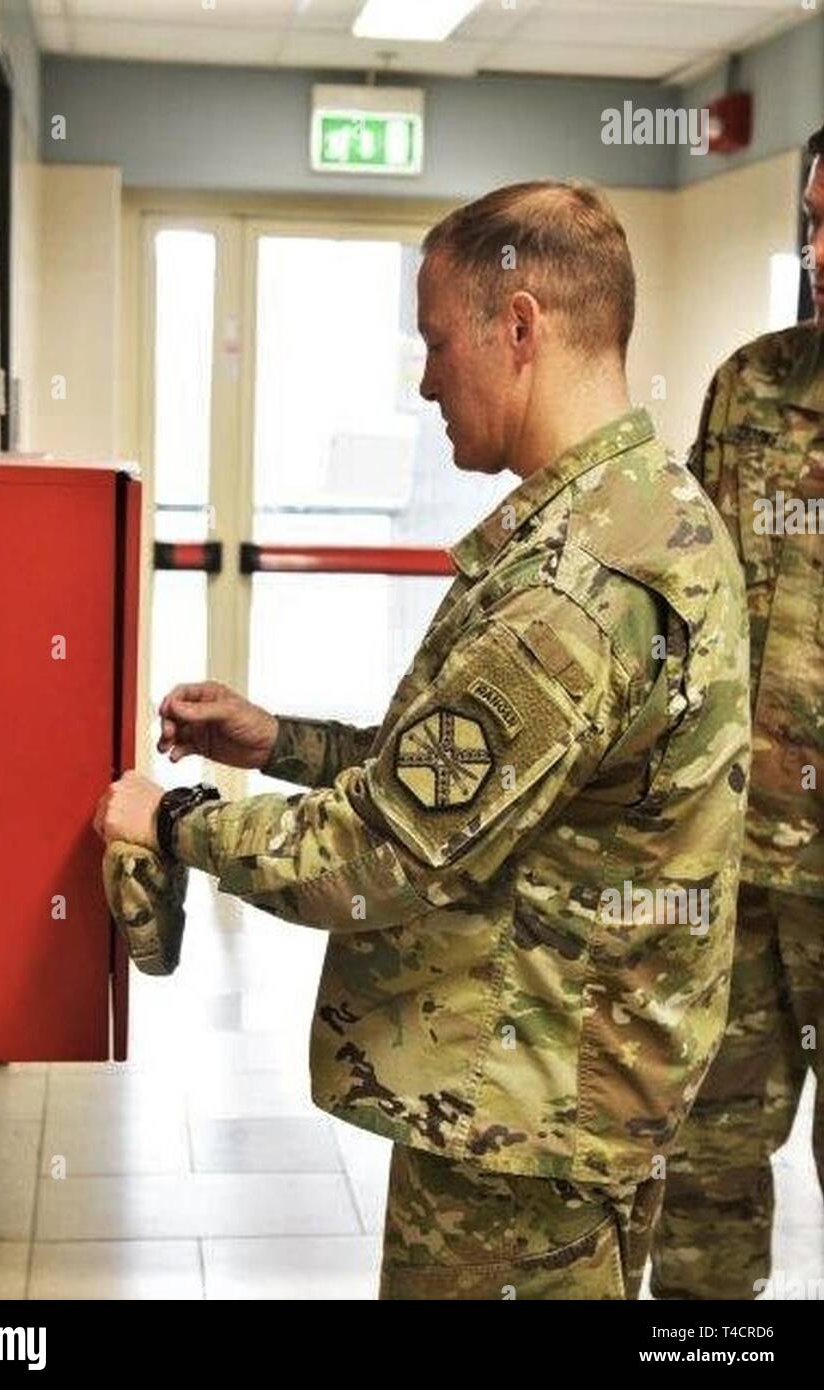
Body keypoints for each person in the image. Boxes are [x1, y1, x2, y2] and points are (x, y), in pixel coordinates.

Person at [95, 180, 751, 1300]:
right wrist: (280, 742)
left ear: (520, 327)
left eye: (437, 341)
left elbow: (382, 854)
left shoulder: (576, 588)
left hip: (523, 1142)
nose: (426, 378)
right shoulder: (645, 513)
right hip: (557, 1110)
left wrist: (169, 819)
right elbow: (482, 792)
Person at [650, 124, 824, 1301]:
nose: (822, 246)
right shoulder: (754, 385)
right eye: (813, 220)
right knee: (704, 1171)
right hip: (742, 870)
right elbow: (694, 618)